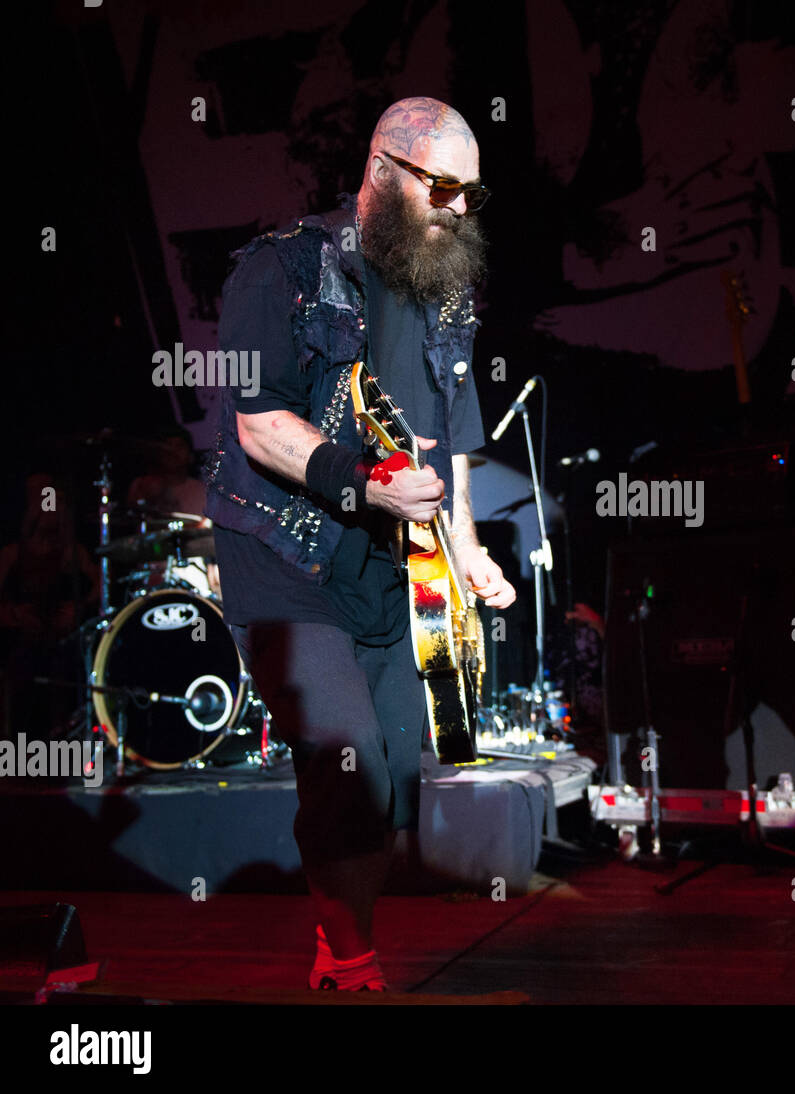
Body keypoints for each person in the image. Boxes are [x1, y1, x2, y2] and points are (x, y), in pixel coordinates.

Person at [205, 97, 515, 991]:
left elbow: (445, 446)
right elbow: (260, 425)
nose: (459, 209)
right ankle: (351, 959)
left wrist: (468, 551)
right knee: (344, 759)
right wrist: (369, 480)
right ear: (384, 170)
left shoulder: (447, 296)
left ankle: (342, 936)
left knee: (388, 777)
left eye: (471, 192)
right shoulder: (285, 267)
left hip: (392, 566)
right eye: (444, 187)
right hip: (286, 550)